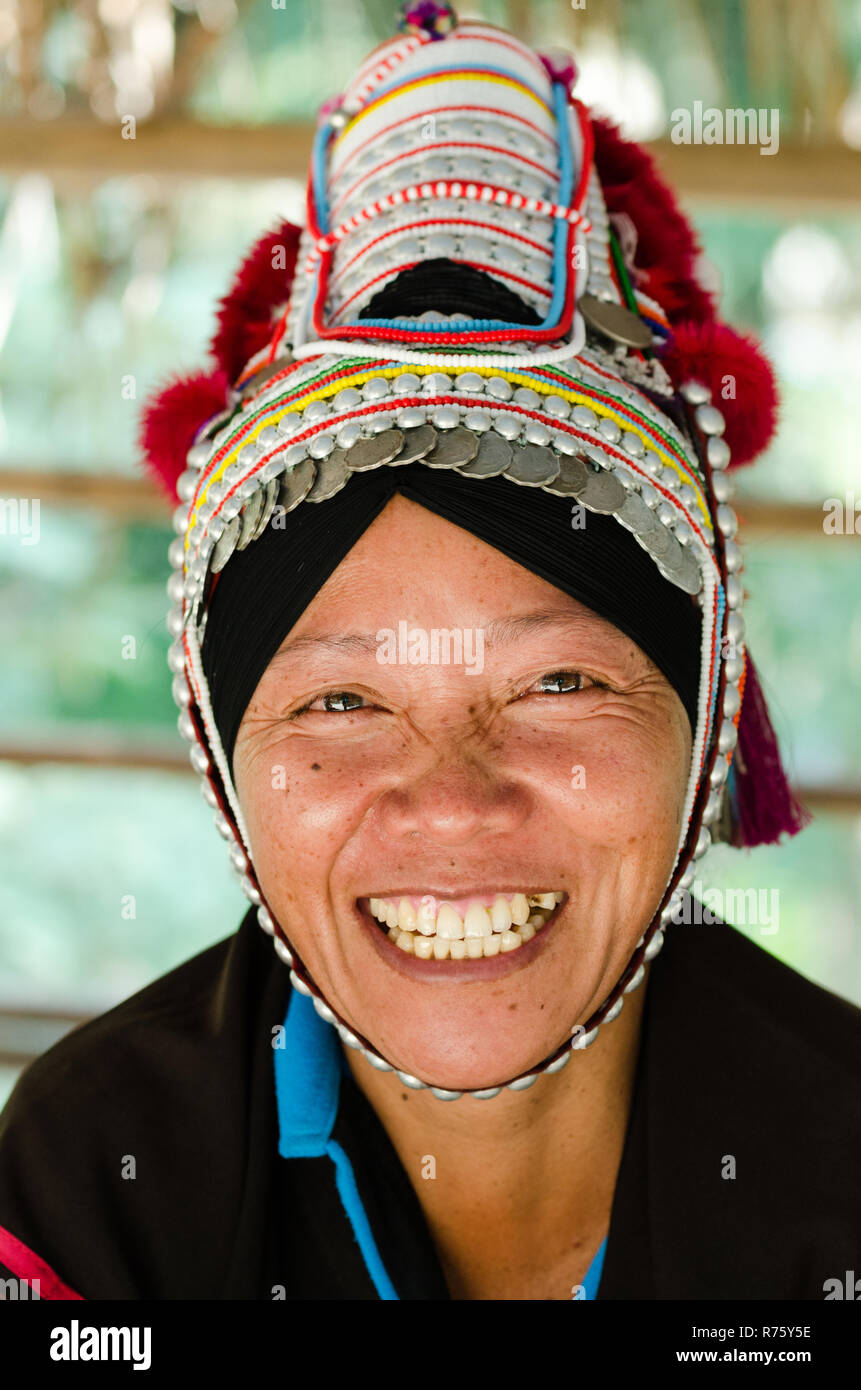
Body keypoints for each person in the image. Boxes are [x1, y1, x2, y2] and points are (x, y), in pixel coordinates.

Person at [1, 2, 859, 1301]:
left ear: (705, 735)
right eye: (343, 699)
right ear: (227, 765)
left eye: (556, 684)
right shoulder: (86, 1199)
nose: (451, 805)